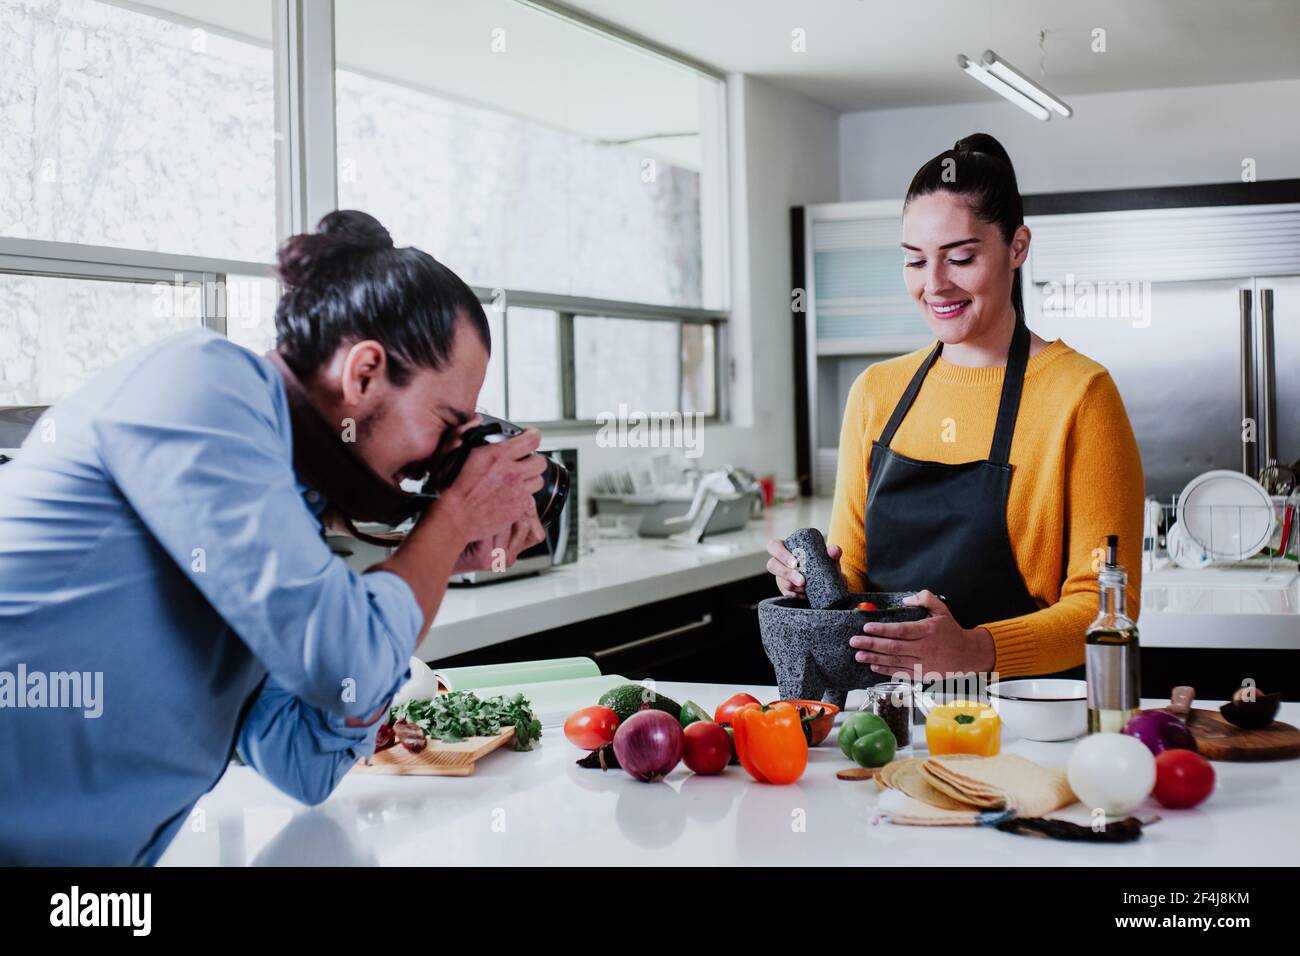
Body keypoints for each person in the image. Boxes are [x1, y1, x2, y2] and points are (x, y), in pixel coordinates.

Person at [0, 210, 546, 865]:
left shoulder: (290, 503)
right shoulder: (205, 385)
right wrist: (452, 517)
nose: (443, 457)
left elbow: (299, 761)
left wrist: (434, 560)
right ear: (364, 372)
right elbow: (348, 661)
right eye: (445, 420)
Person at [768, 134, 1144, 685]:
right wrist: (811, 578)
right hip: (883, 722)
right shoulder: (877, 392)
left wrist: (973, 649)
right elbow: (851, 574)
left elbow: (1106, 607)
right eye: (915, 261)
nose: (935, 284)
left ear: (1017, 247)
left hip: (1023, 720)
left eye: (961, 258)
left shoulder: (1080, 394)